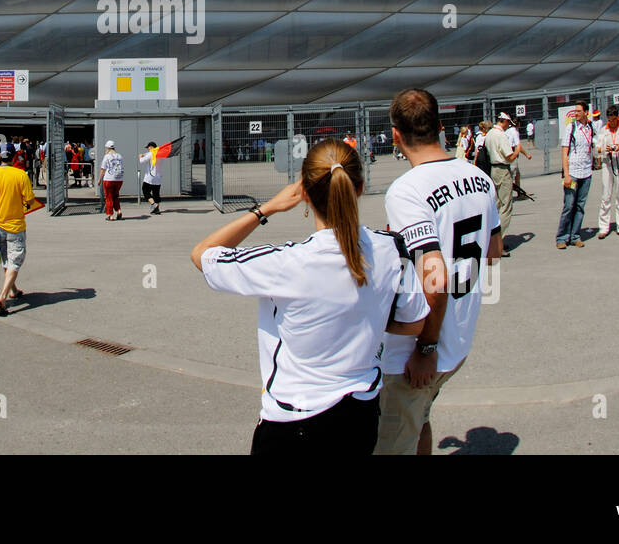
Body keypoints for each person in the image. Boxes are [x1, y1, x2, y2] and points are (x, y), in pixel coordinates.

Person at [192, 137, 429, 455]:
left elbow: (203, 255)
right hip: (360, 413)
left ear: (304, 194)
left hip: (294, 420)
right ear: (358, 189)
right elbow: (414, 322)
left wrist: (267, 209)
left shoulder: (286, 263)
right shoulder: (391, 248)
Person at [375, 89, 501, 455]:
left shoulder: (407, 190)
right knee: (421, 422)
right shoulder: (479, 177)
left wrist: (426, 347)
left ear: (396, 136)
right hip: (459, 338)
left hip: (415, 350)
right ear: (440, 127)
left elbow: (436, 277)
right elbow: (493, 252)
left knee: (392, 443)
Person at [0, 150, 43, 315]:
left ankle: (13, 290)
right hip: (15, 226)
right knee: (15, 260)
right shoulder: (21, 175)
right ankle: (3, 297)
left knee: (6, 258)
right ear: (14, 158)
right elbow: (30, 200)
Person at [557, 100, 594, 249]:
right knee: (569, 206)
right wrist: (566, 174)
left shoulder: (590, 127)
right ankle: (562, 237)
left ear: (586, 112)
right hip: (572, 172)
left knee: (580, 206)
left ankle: (575, 236)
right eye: (575, 111)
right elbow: (565, 152)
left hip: (586, 172)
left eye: (579, 111)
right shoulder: (570, 128)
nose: (576, 113)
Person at [594, 104, 619, 238]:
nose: (612, 123)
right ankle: (603, 227)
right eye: (610, 120)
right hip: (607, 164)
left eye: (614, 120)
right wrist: (605, 149)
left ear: (617, 117)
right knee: (606, 195)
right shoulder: (604, 130)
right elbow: (596, 148)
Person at [483, 114, 517, 236]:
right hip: (502, 169)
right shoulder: (500, 135)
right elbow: (509, 156)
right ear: (505, 122)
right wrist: (517, 150)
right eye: (508, 123)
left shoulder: (490, 133)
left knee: (497, 204)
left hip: (493, 168)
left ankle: (491, 236)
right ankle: (499, 240)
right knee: (506, 205)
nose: (508, 126)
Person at [97, 140, 124, 221]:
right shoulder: (119, 156)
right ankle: (119, 211)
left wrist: (99, 179)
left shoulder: (107, 156)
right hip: (119, 179)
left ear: (107, 148)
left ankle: (110, 215)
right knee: (115, 196)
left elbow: (103, 169)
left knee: (108, 197)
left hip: (109, 179)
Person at [138, 141, 164, 214]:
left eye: (148, 148)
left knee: (145, 190)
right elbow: (148, 155)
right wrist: (145, 154)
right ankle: (157, 209)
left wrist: (140, 157)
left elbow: (142, 161)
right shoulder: (160, 154)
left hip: (150, 177)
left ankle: (153, 204)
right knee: (156, 193)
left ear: (151, 147)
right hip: (158, 177)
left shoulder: (151, 153)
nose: (148, 149)